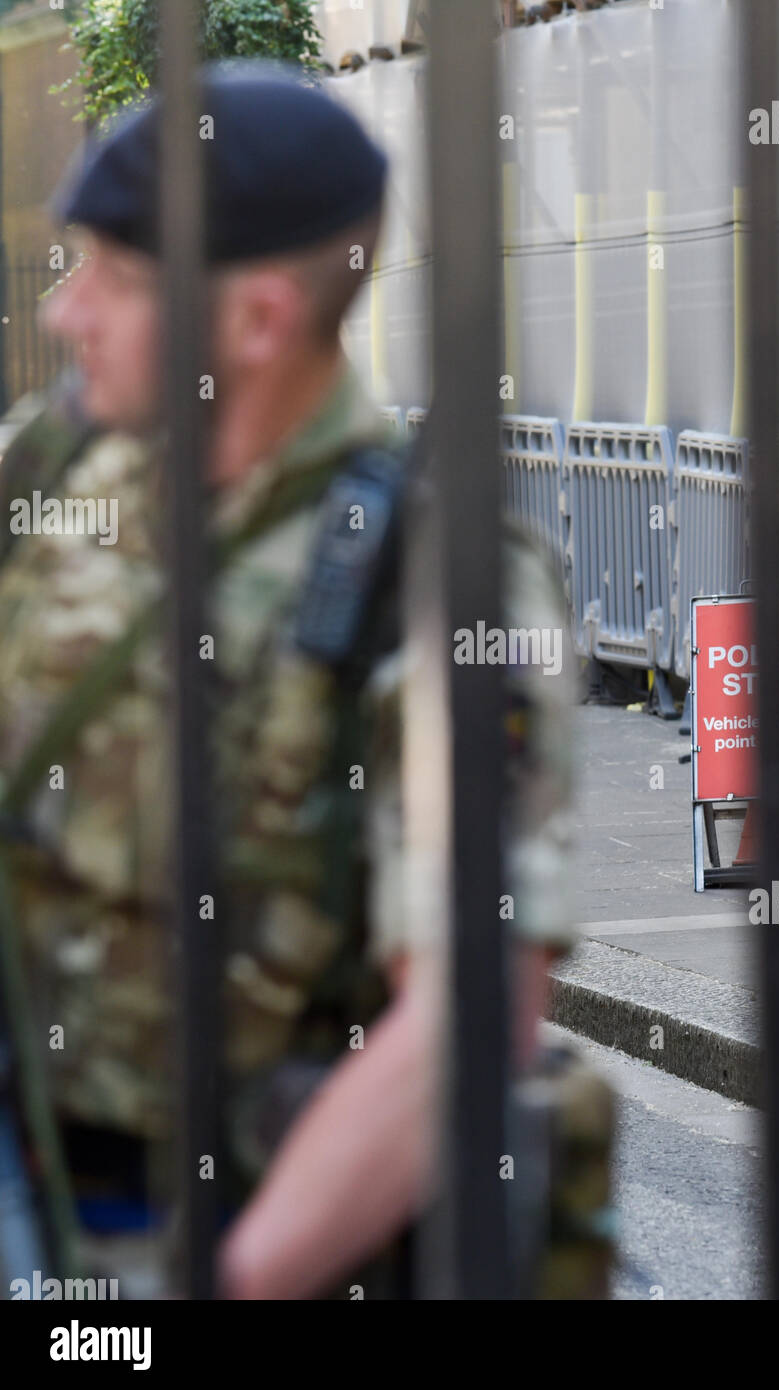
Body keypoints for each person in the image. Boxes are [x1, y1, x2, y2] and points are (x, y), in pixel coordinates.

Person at [0, 64, 592, 1298]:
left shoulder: (432, 580)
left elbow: (464, 1021)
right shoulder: (45, 474)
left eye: (110, 279)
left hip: (225, 1232)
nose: (68, 316)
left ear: (255, 322)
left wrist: (233, 1285)